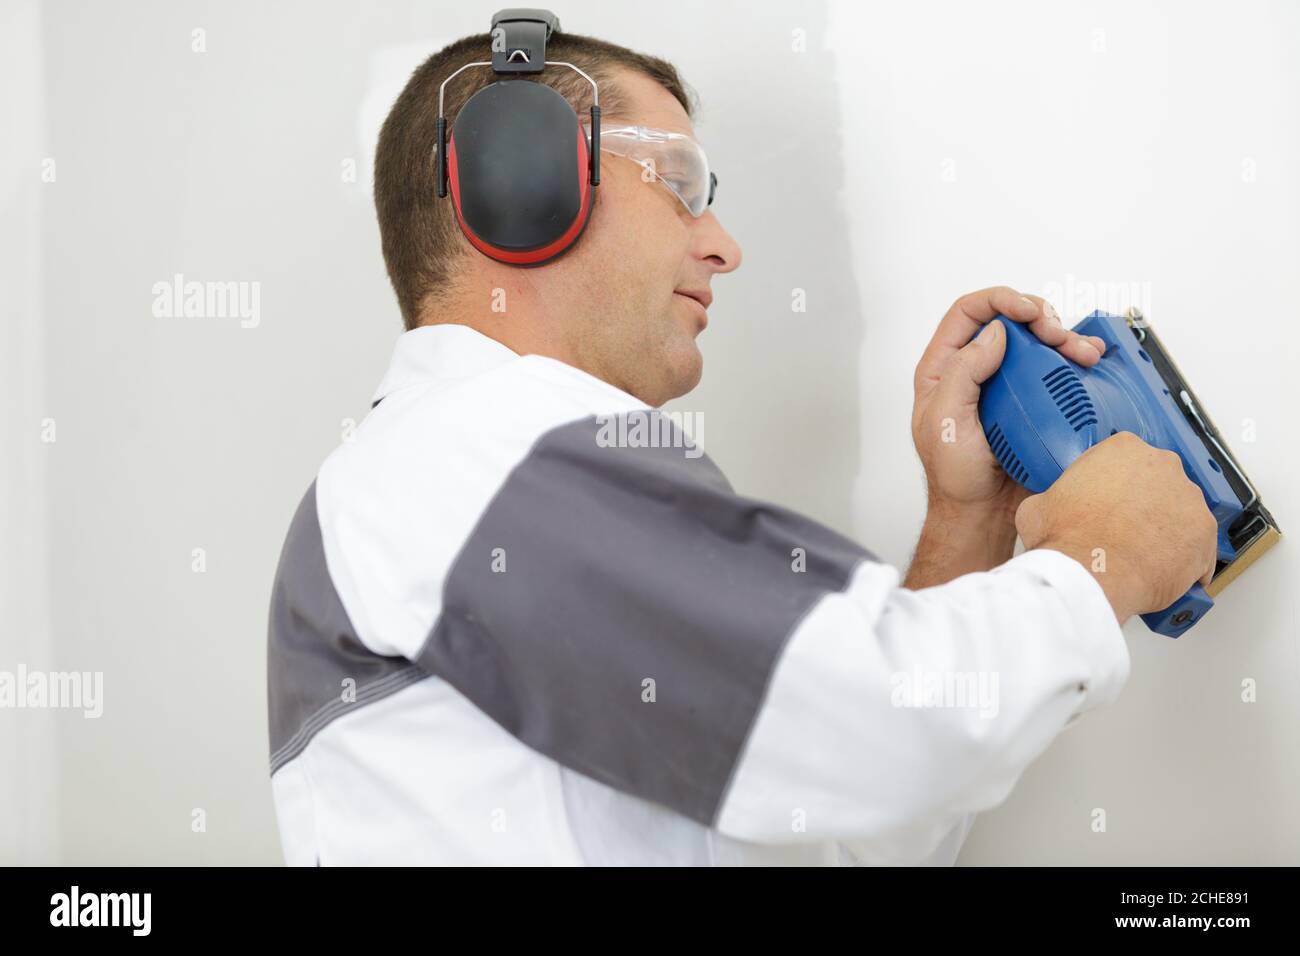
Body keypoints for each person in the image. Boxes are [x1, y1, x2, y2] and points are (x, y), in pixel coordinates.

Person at [266, 26, 1217, 865]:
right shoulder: (464, 451)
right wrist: (1102, 564)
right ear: (520, 179)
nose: (724, 245)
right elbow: (886, 729)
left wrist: (967, 522)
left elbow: (851, 824)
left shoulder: (464, 482)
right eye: (679, 184)